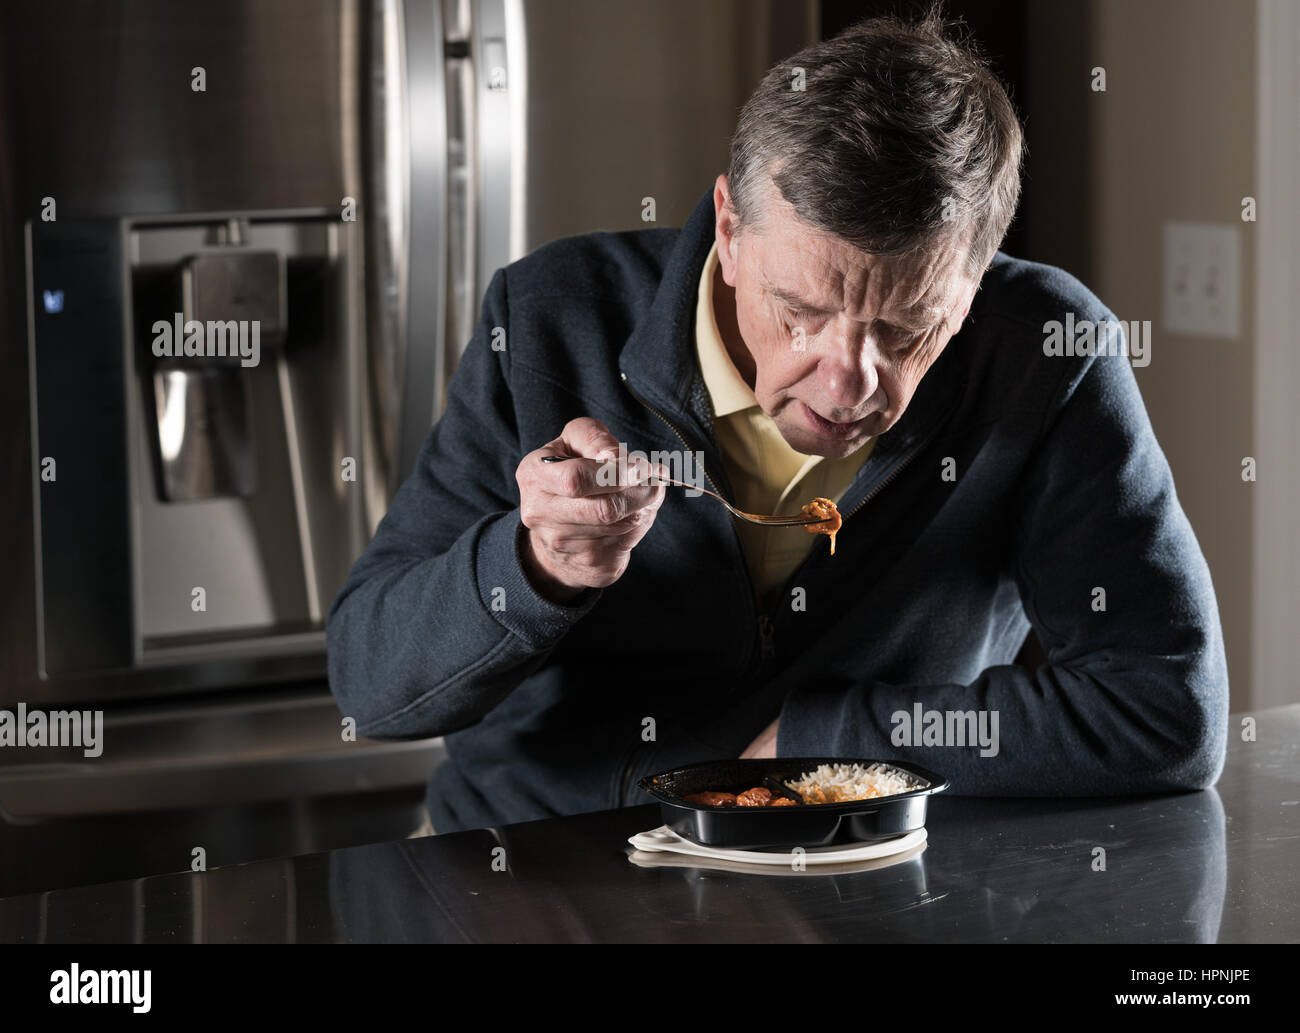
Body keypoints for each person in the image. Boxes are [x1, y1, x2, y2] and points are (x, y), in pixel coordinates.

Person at [328, 10, 1228, 836]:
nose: (845, 384)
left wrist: (828, 736)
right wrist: (533, 567)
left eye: (906, 331)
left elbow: (1168, 711)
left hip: (863, 876)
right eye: (799, 310)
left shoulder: (1048, 353)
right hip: (535, 868)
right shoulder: (548, 316)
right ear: (728, 227)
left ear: (978, 278)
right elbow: (370, 695)